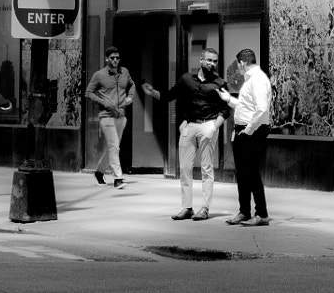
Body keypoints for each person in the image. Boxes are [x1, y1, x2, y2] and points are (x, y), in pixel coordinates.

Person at [142, 47, 230, 221]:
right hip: (189, 126)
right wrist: (152, 92)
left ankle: (204, 208)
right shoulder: (186, 79)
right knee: (184, 168)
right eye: (209, 60)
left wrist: (214, 127)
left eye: (215, 61)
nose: (212, 64)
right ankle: (187, 207)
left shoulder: (220, 83)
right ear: (201, 60)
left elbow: (224, 111)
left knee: (206, 168)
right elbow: (169, 96)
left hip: (209, 125)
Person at [219, 48, 272, 227]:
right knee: (243, 173)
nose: (238, 68)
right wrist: (228, 99)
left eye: (238, 64)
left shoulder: (257, 80)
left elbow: (262, 109)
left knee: (251, 173)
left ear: (242, 62)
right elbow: (246, 106)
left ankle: (261, 214)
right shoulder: (252, 80)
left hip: (251, 131)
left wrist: (248, 130)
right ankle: (244, 211)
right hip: (245, 130)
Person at [85, 46, 135, 189]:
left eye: (117, 58)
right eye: (112, 58)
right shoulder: (99, 75)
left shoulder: (124, 72)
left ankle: (99, 172)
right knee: (114, 146)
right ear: (106, 59)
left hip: (121, 116)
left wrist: (130, 97)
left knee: (113, 148)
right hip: (106, 117)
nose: (115, 60)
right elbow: (88, 93)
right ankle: (118, 178)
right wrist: (104, 102)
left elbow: (132, 85)